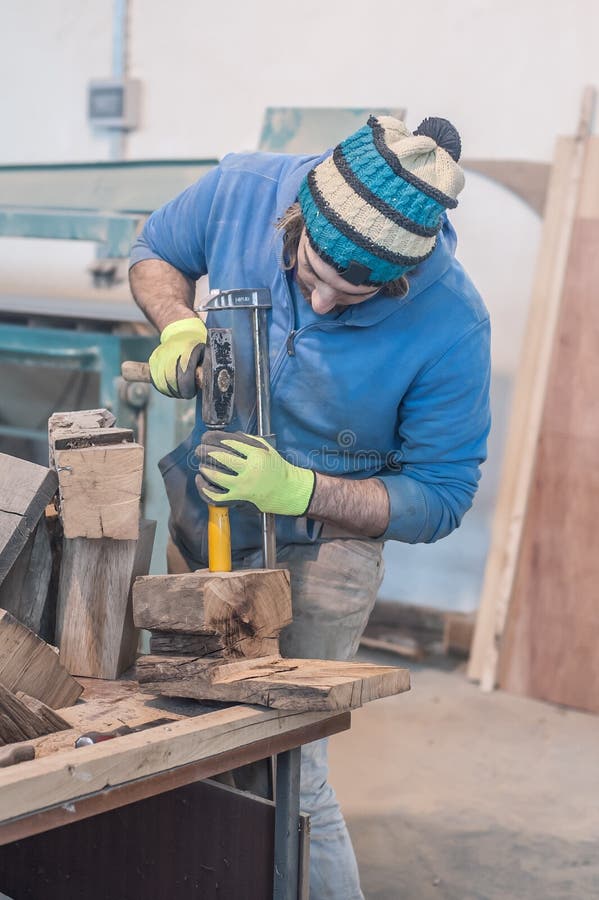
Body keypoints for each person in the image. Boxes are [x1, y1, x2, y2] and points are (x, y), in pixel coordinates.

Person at [129, 114, 491, 899]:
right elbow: (155, 249)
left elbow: (442, 495)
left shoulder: (452, 322)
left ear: (399, 277)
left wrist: (302, 491)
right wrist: (178, 325)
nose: (322, 305)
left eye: (351, 296)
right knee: (180, 731)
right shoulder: (243, 189)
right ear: (292, 221)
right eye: (307, 278)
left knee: (287, 766)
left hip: (329, 542)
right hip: (207, 501)